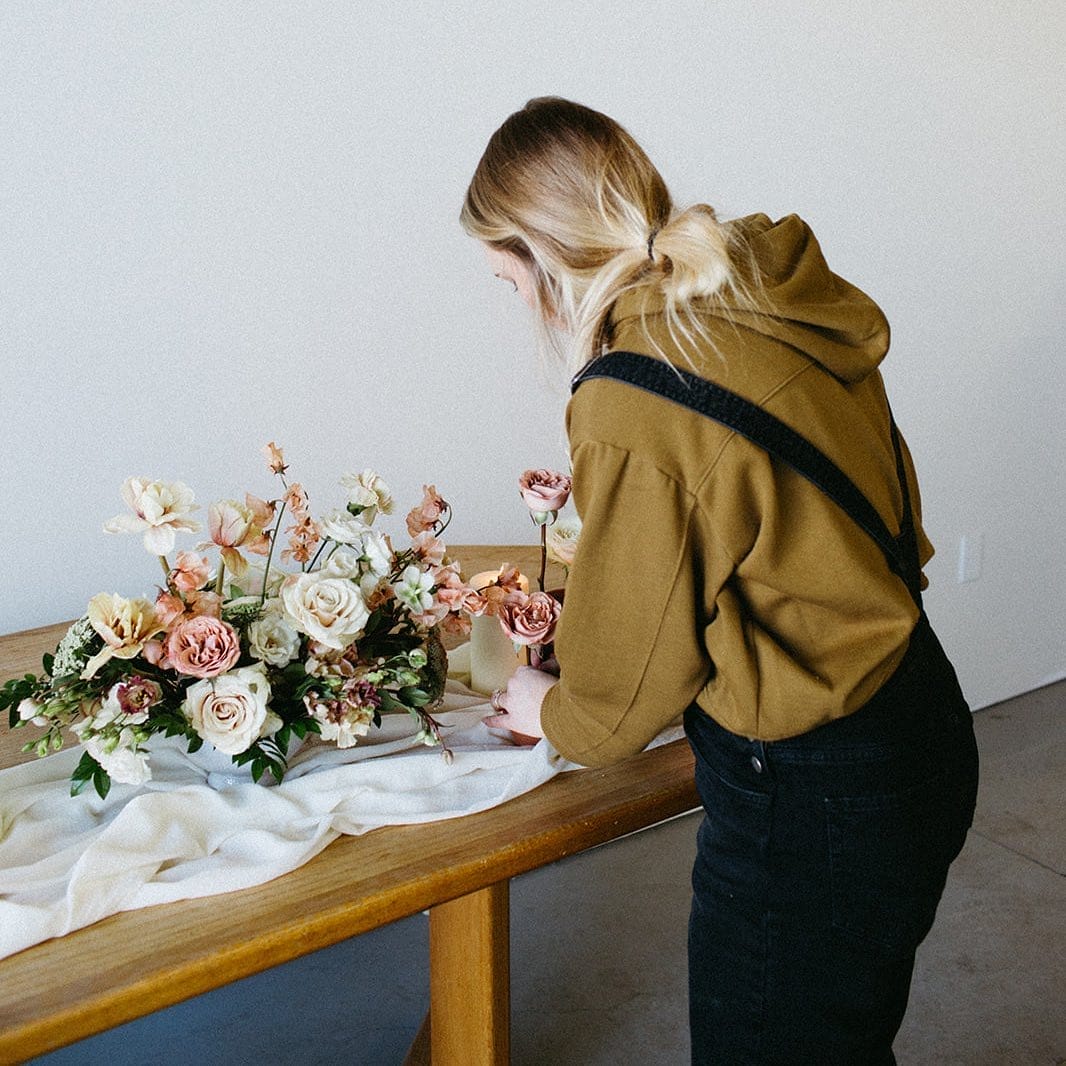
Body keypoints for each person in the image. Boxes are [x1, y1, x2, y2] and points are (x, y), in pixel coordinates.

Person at [462, 96, 979, 1065]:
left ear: (544, 257)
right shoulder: (754, 289)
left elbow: (620, 705)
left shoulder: (630, 395)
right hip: (920, 722)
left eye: (508, 279)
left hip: (814, 800)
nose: (519, 306)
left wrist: (548, 706)